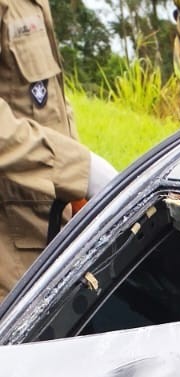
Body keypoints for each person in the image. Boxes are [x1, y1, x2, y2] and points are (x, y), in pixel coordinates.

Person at [0, 0, 116, 297]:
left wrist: (78, 194)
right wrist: (82, 169)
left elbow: (43, 103)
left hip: (46, 252)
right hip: (11, 274)